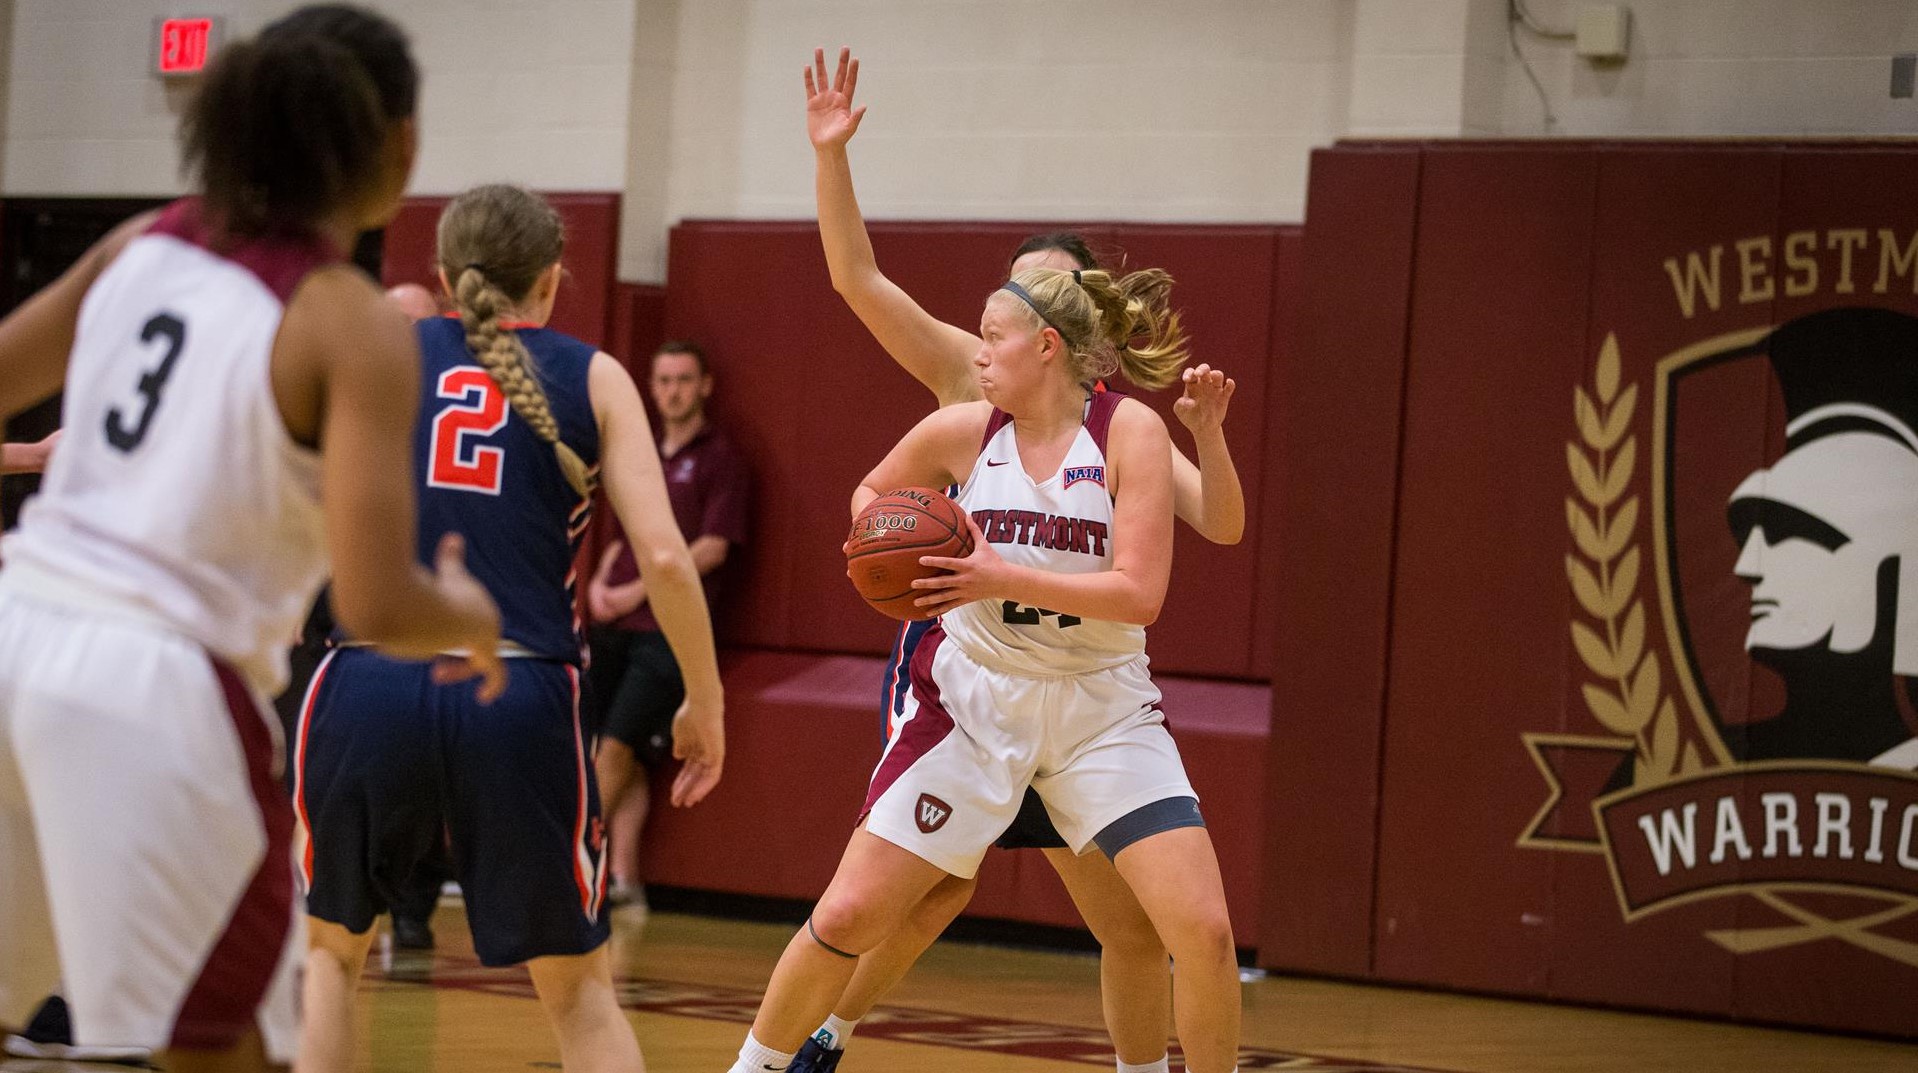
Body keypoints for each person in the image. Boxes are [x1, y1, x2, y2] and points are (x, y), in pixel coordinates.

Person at [0, 7, 506, 1072]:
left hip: (14, 626)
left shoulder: (141, 242)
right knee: (231, 1051)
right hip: (154, 682)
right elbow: (375, 603)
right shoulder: (349, 320)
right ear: (399, 144)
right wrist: (469, 614)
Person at [791, 48, 1243, 1073]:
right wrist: (830, 157)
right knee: (934, 890)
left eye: (1051, 292)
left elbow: (1219, 523)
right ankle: (823, 1032)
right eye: (1018, 290)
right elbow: (856, 278)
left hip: (1080, 692)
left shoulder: (1117, 425)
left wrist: (1211, 438)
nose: (1029, 310)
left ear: (1079, 317)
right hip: (971, 668)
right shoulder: (970, 369)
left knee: (1132, 924)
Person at [293, 184, 726, 1073]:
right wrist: (705, 699)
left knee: (330, 960)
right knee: (580, 994)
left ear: (442, 274)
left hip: (368, 678)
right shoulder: (595, 375)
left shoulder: (381, 351)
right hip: (520, 689)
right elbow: (665, 557)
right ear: (553, 279)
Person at [587, 340, 750, 910]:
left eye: (683, 379)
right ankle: (624, 879)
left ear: (704, 386)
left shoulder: (721, 458)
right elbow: (619, 535)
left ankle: (563, 864)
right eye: (663, 380)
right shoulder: (640, 451)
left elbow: (712, 547)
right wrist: (602, 582)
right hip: (615, 624)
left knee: (614, 748)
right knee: (620, 753)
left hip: (665, 633)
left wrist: (638, 589)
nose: (672, 391)